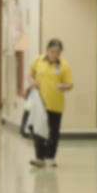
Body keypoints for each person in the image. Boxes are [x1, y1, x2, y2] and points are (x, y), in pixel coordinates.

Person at [25, 38, 74, 169]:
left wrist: (64, 86)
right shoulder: (39, 60)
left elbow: (70, 84)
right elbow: (30, 75)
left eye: (57, 52)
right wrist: (32, 82)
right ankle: (39, 158)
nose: (54, 54)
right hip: (40, 103)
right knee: (39, 130)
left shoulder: (64, 65)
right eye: (52, 51)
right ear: (47, 50)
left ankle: (50, 157)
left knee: (53, 132)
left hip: (56, 104)